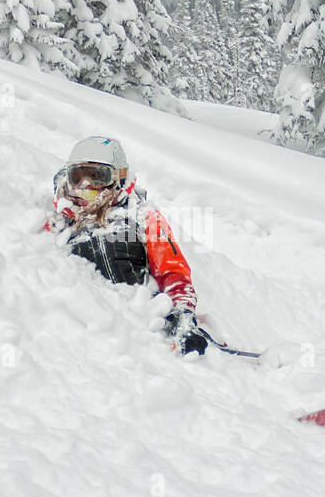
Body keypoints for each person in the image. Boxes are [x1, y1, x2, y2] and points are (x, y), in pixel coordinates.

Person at [47, 136, 208, 355]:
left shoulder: (143, 217)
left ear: (117, 177)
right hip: (78, 336)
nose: (86, 186)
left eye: (97, 177)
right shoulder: (59, 218)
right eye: (78, 176)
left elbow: (173, 271)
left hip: (134, 336)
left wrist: (182, 313)